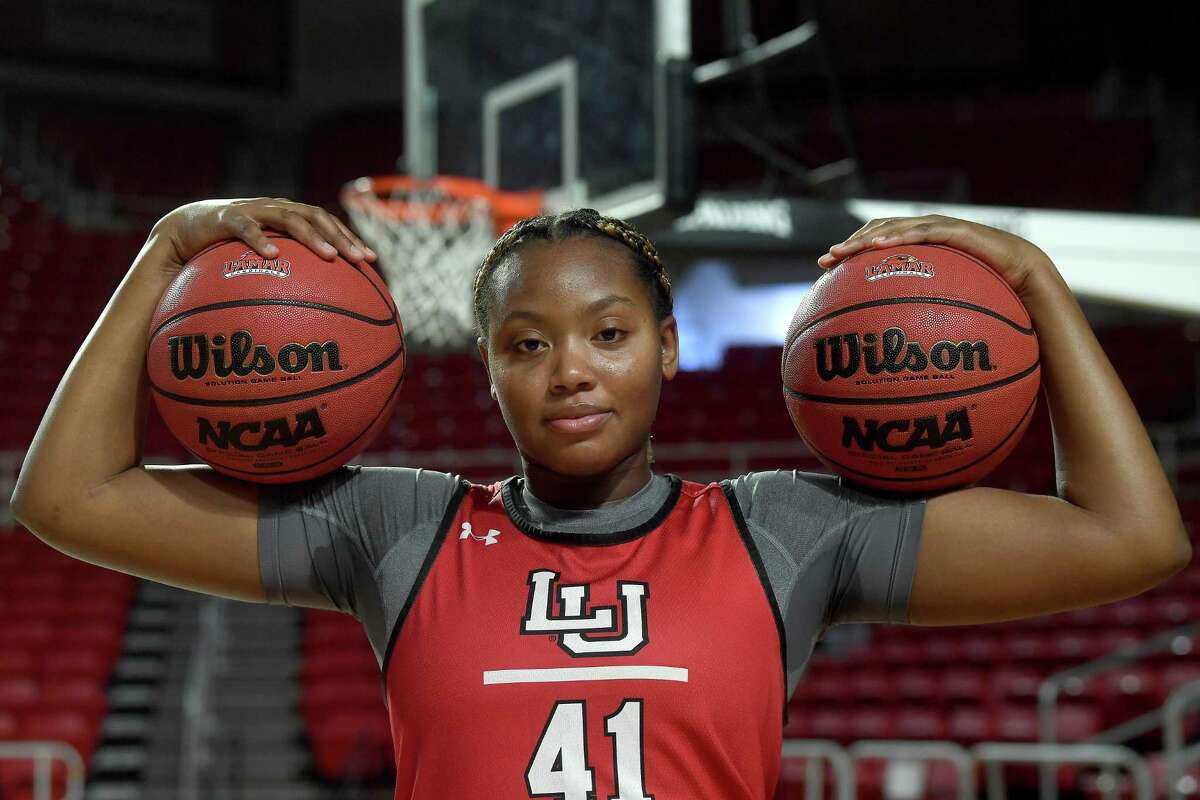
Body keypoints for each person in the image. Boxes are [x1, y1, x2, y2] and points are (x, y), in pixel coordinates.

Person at [11, 198, 1190, 799]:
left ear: (669, 347)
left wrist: (1034, 281)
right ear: (485, 368)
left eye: (609, 333)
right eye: (525, 342)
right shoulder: (398, 525)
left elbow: (1130, 535)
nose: (570, 368)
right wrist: (166, 252)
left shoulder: (783, 528)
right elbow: (68, 496)